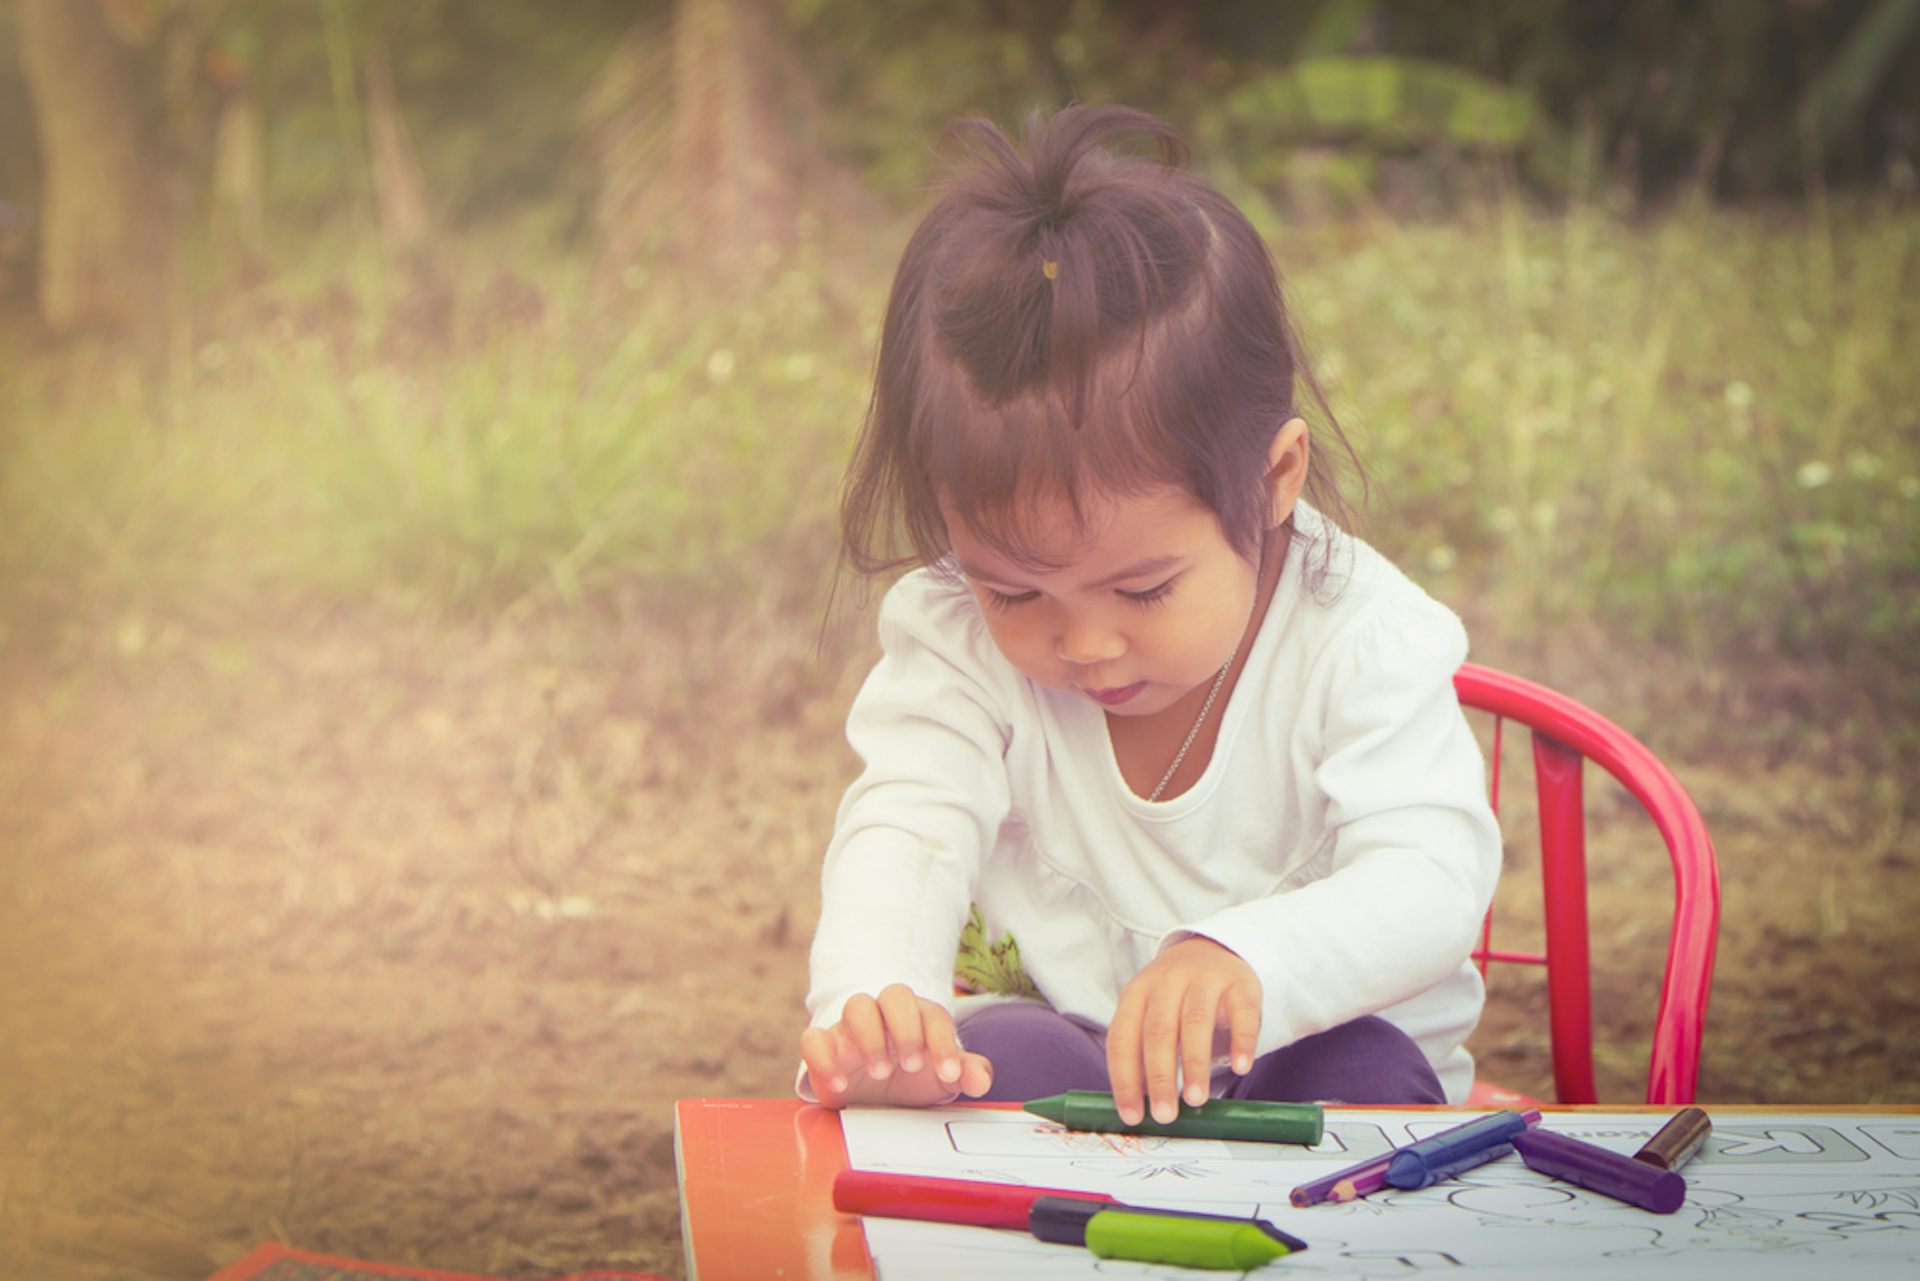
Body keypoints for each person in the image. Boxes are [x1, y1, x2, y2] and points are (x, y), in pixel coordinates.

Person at [797, 105, 1501, 1126]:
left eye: (1144, 590)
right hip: (1078, 1062)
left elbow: (1432, 877)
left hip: (1312, 1065)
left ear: (1274, 480)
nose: (1084, 643)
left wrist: (1250, 956)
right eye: (1016, 591)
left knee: (1363, 1074)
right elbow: (906, 823)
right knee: (994, 1056)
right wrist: (877, 1002)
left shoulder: (1358, 635)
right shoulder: (952, 639)